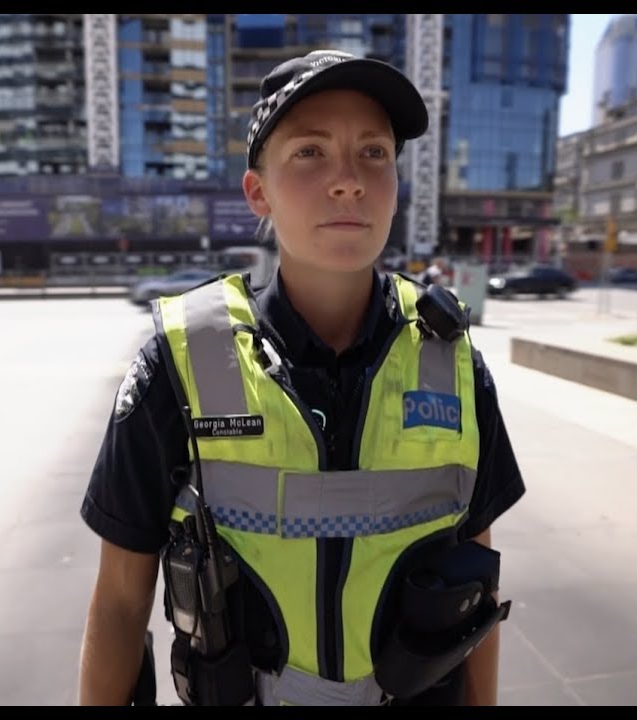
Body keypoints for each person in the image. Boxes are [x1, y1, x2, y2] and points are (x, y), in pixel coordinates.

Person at [78, 49, 526, 707]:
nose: (348, 181)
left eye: (373, 153)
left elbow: (478, 589)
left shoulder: (452, 361)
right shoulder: (181, 363)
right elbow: (120, 600)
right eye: (310, 153)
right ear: (258, 191)